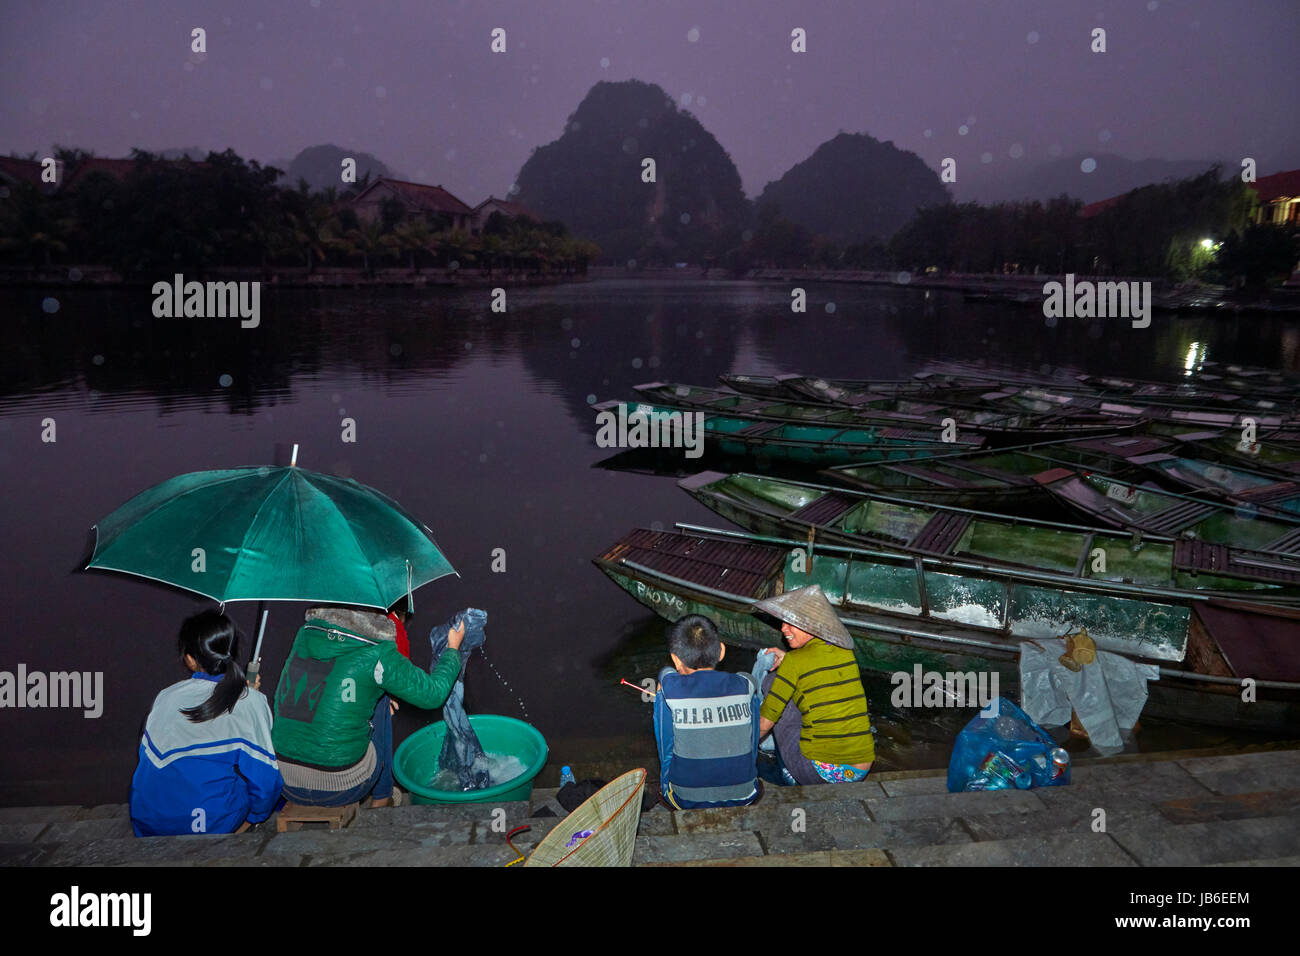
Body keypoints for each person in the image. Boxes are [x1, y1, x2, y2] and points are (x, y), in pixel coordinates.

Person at [272, 604, 465, 807]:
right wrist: (453, 649)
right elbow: (432, 694)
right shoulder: (376, 650)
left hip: (285, 779)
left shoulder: (305, 634)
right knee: (381, 699)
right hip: (339, 786)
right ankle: (382, 797)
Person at [130, 610, 283, 837]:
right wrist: (254, 819)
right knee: (256, 779)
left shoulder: (165, 696)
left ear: (190, 660)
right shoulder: (251, 702)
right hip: (207, 826)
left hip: (148, 823)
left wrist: (244, 695)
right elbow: (266, 783)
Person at [752, 585, 875, 785]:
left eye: (791, 623)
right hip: (859, 769)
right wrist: (788, 661)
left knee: (771, 682)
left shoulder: (795, 661)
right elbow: (814, 669)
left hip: (821, 773)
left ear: (812, 625)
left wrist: (737, 753)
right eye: (783, 622)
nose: (783, 629)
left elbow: (766, 721)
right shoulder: (845, 652)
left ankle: (787, 773)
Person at [653, 614, 761, 810]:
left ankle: (667, 786)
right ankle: (747, 771)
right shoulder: (742, 684)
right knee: (751, 698)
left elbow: (665, 674)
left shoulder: (673, 687)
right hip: (745, 794)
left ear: (675, 659)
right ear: (721, 651)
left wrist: (668, 673)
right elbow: (751, 680)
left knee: (662, 695)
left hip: (685, 798)